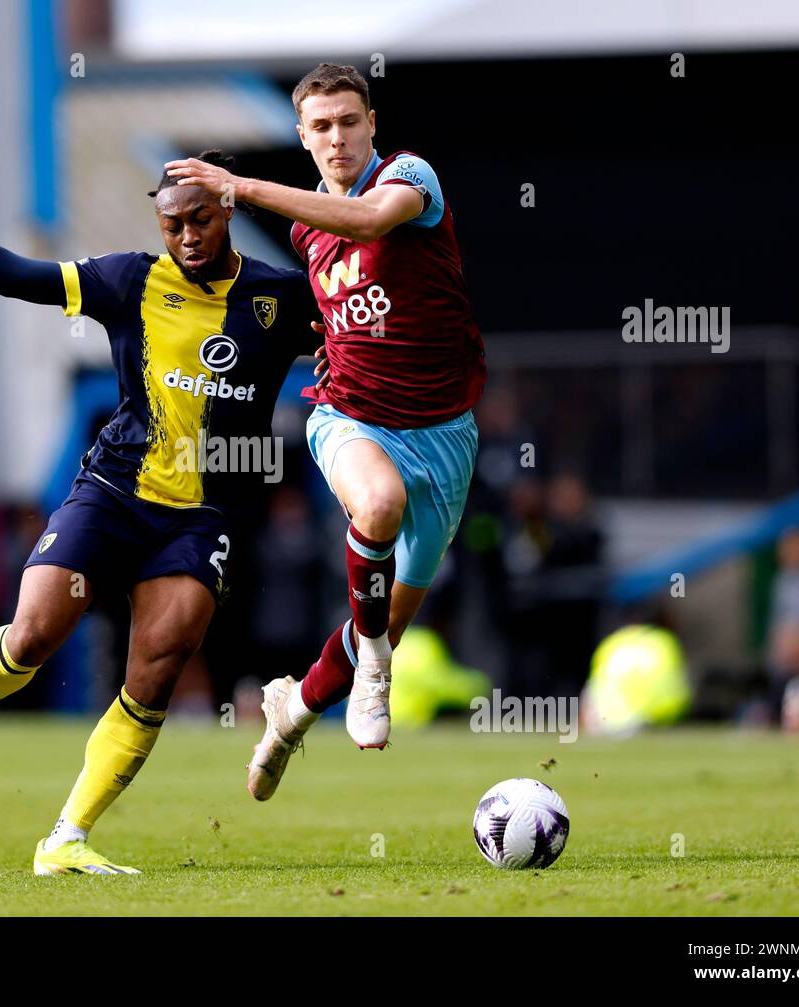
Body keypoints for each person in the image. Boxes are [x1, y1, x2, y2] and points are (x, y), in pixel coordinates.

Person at [0, 150, 320, 875]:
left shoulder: (282, 297)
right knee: (34, 637)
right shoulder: (128, 279)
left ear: (227, 209)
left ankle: (66, 836)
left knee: (159, 665)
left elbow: (363, 330)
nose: (188, 236)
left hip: (203, 513)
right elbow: (12, 274)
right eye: (172, 224)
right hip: (114, 490)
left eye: (200, 219)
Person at [165, 63, 485, 794]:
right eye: (320, 127)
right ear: (303, 138)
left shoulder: (410, 177)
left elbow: (372, 222)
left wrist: (238, 189)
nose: (336, 137)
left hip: (444, 434)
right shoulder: (307, 228)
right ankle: (373, 673)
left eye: (348, 121)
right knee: (375, 508)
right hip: (350, 416)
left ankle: (291, 712)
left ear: (372, 124)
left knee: (382, 622)